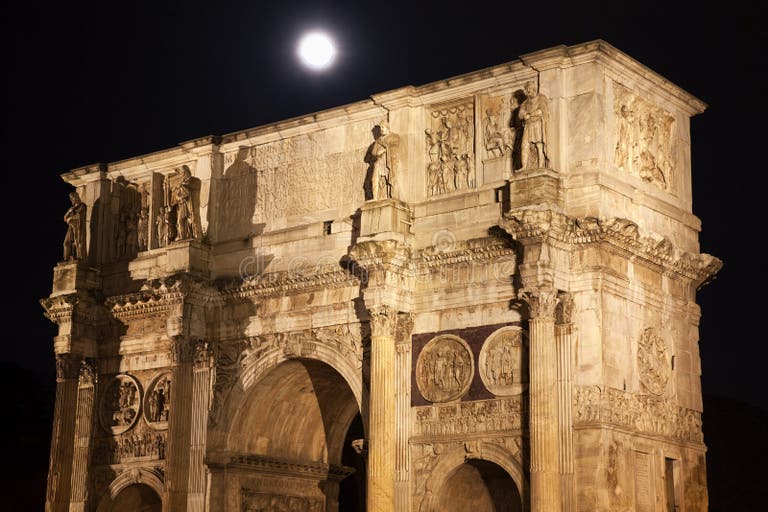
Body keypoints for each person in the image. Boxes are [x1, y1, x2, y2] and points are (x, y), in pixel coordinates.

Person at [518, 80, 550, 170]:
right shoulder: (525, 103)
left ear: (534, 89)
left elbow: (543, 111)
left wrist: (530, 114)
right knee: (524, 145)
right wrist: (524, 115)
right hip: (528, 125)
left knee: (539, 145)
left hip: (537, 124)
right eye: (527, 91)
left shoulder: (541, 98)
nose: (528, 93)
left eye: (530, 90)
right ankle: (524, 166)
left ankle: (541, 166)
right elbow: (520, 114)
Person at [369, 121, 400, 200]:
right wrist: (378, 151)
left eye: (383, 127)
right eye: (380, 128)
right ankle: (375, 198)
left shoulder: (394, 137)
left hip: (388, 161)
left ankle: (393, 196)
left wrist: (384, 149)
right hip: (379, 161)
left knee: (390, 178)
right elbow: (373, 152)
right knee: (374, 179)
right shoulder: (378, 140)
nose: (381, 129)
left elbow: (394, 147)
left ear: (387, 128)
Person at [63, 191, 86, 261]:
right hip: (71, 227)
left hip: (78, 226)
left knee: (77, 242)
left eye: (73, 198)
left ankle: (78, 257)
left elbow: (79, 216)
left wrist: (70, 218)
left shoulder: (82, 206)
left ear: (76, 197)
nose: (72, 200)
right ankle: (66, 258)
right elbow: (65, 218)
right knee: (66, 243)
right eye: (71, 199)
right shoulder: (72, 208)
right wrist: (69, 212)